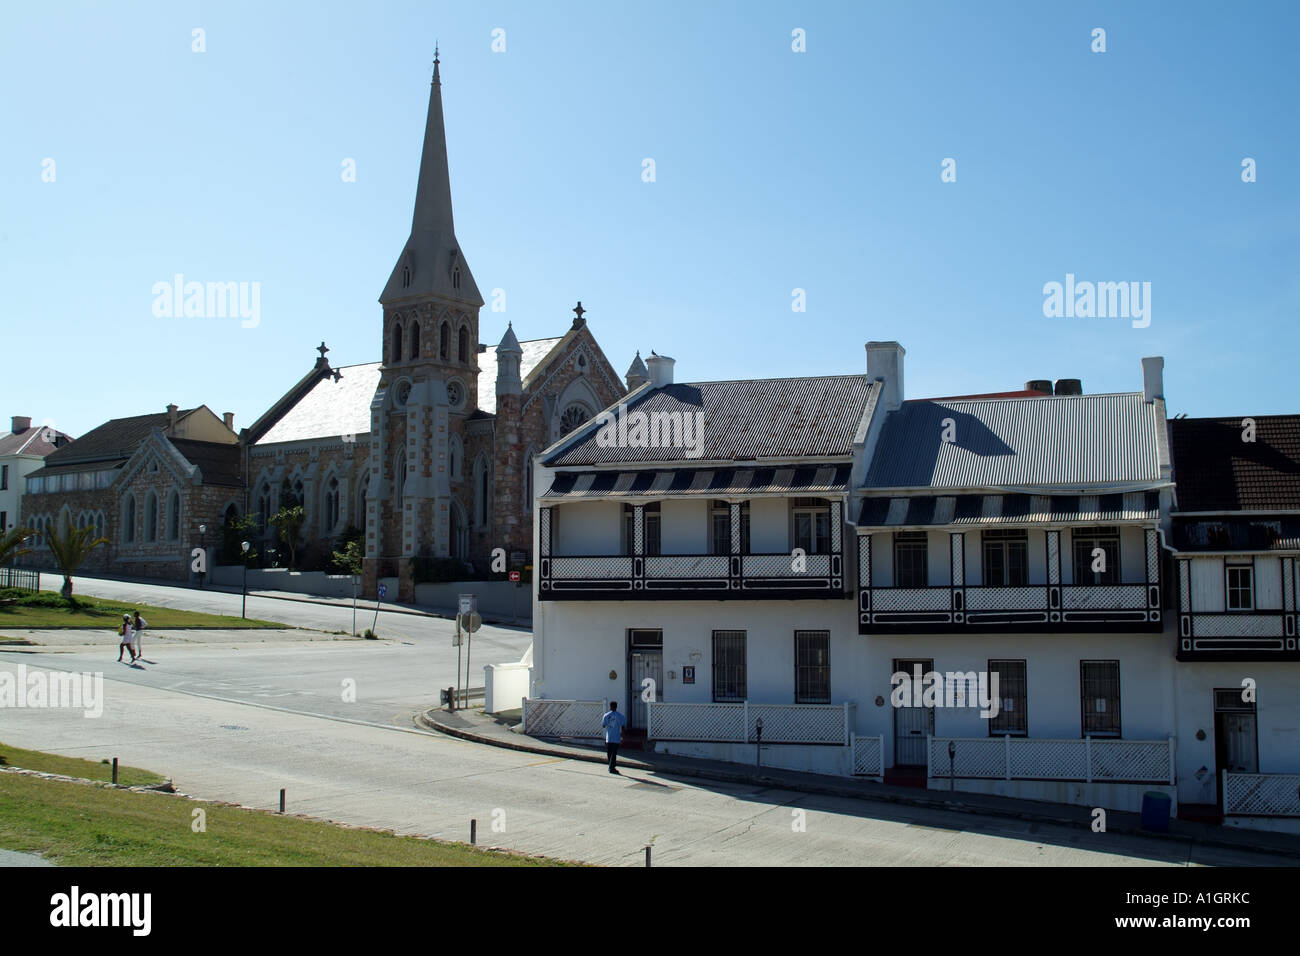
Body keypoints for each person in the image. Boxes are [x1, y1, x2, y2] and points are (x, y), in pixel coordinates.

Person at [601, 701, 628, 775]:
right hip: (616, 737)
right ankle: (612, 767)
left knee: (609, 752)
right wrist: (623, 737)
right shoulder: (620, 716)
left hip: (609, 737)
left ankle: (611, 765)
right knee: (614, 752)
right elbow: (623, 727)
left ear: (610, 707)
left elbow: (603, 725)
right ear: (616, 707)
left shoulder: (606, 715)